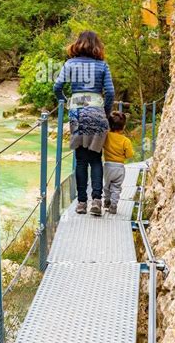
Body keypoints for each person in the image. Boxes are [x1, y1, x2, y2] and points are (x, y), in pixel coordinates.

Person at [53, 31, 114, 216]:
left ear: (78, 44)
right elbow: (110, 92)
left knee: (80, 160)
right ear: (97, 45)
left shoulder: (70, 64)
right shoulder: (102, 65)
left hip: (77, 112)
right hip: (97, 111)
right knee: (95, 158)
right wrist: (106, 112)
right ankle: (97, 200)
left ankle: (81, 203)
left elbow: (57, 87)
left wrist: (64, 101)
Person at [103, 111, 134, 215]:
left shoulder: (106, 136)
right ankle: (113, 205)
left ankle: (106, 201)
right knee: (116, 187)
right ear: (123, 126)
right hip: (119, 167)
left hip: (107, 166)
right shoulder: (126, 141)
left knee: (107, 186)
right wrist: (123, 155)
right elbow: (130, 154)